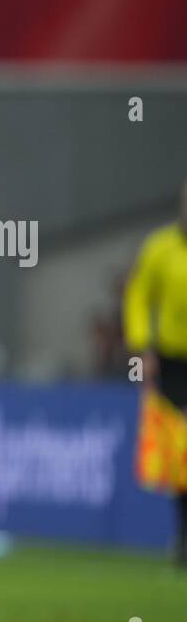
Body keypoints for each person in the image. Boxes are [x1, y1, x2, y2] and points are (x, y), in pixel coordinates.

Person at [125, 177, 187, 566]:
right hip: (173, 361)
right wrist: (143, 346)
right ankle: (183, 535)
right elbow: (137, 296)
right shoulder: (161, 247)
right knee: (180, 455)